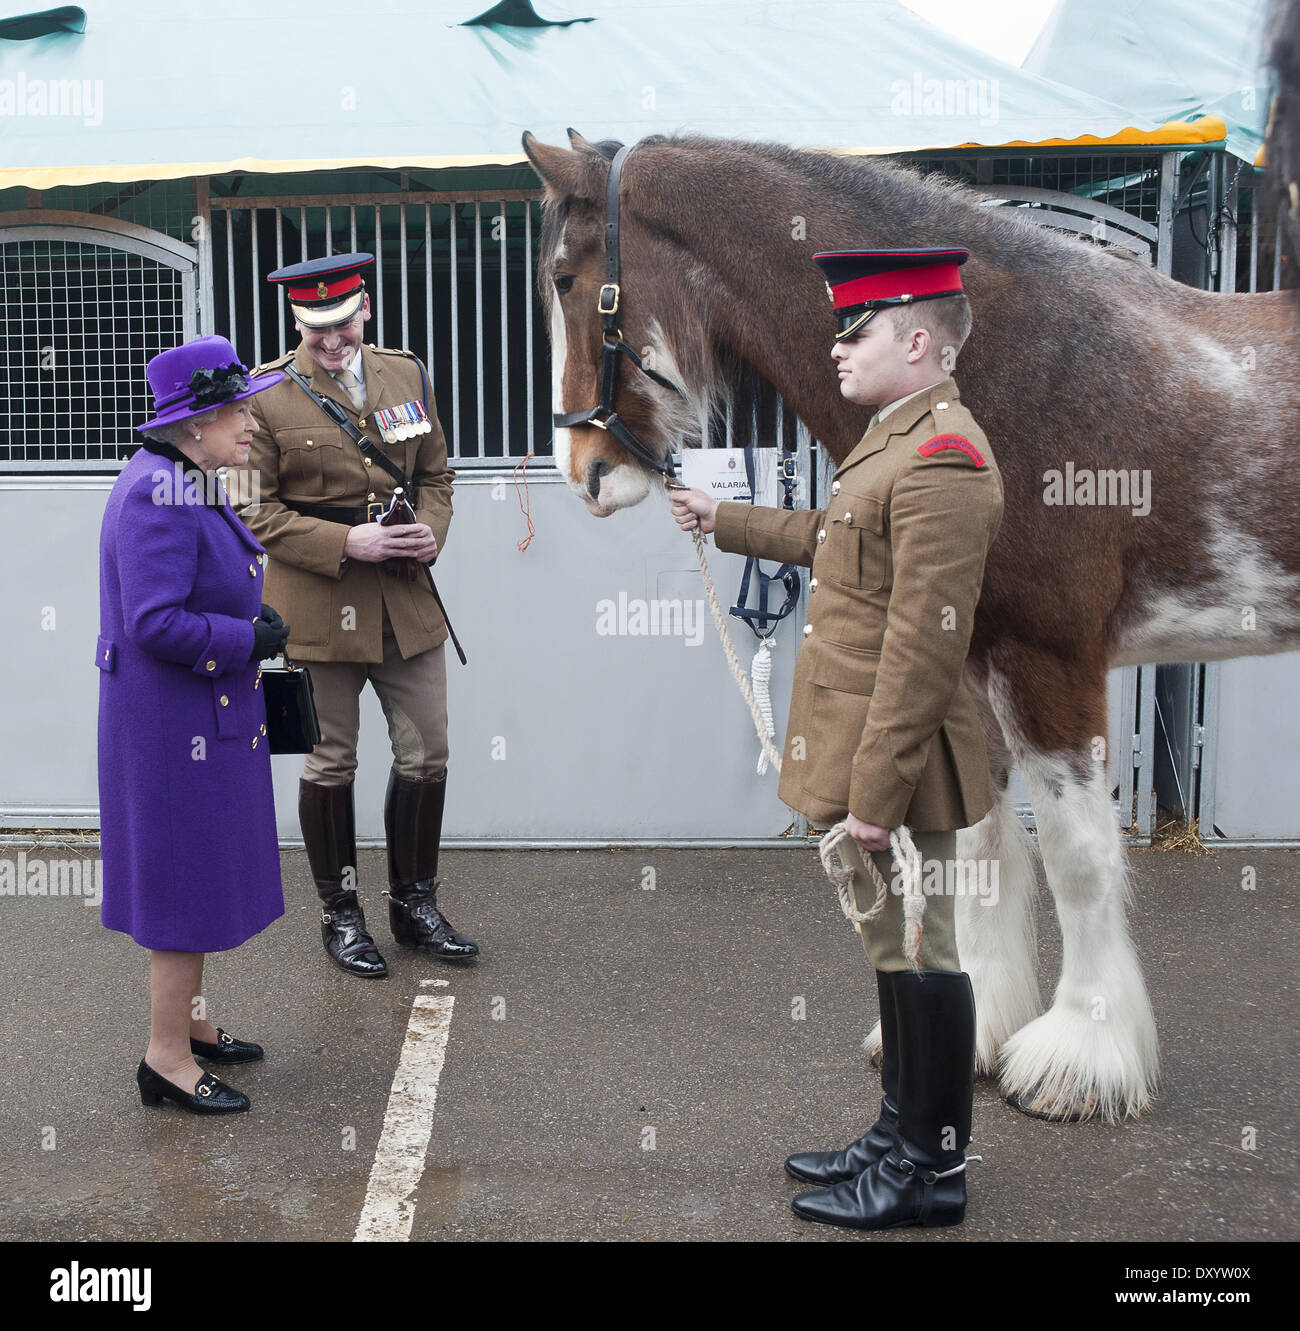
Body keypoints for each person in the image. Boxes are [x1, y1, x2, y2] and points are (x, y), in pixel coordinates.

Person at [670, 248, 1003, 1230]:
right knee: (893, 949)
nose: (835, 346)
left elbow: (921, 646)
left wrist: (876, 789)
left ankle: (930, 1170)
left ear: (917, 339)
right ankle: (897, 1134)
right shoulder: (896, 439)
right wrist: (724, 517)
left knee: (924, 952)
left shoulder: (944, 457)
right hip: (874, 752)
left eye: (853, 330)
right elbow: (838, 538)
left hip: (902, 761)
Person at [229, 253, 477, 978]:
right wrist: (348, 540)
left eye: (341, 326)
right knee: (330, 759)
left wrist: (432, 531)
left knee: (427, 750)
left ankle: (415, 904)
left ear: (364, 308)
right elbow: (252, 508)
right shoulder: (264, 392)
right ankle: (341, 915)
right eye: (316, 331)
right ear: (296, 324)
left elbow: (436, 473)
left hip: (404, 599)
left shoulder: (407, 373)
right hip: (316, 602)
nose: (331, 343)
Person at [98, 334, 291, 1114]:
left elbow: (201, 585)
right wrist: (249, 639)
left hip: (195, 715)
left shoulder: (185, 476)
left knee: (202, 876)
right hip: (173, 728)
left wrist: (249, 616)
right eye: (233, 410)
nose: (248, 422)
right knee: (181, 892)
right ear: (193, 423)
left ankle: (193, 1025)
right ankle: (166, 1057)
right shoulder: (156, 488)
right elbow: (154, 622)